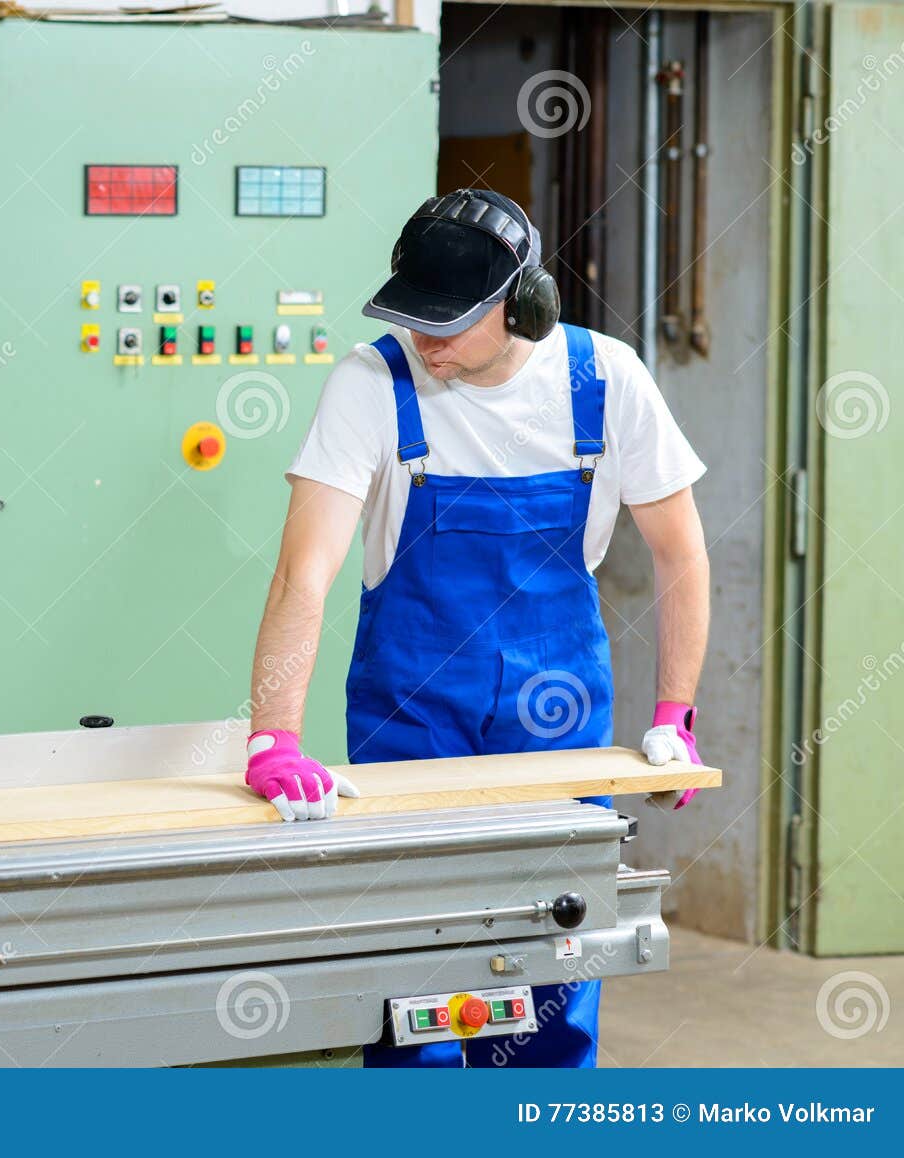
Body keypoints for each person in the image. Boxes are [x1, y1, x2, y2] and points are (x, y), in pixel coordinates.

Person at [241, 189, 710, 1067]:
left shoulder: (606, 380)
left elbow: (682, 554)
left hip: (559, 722)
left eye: (446, 323)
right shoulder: (370, 382)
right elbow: (304, 574)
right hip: (411, 717)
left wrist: (674, 714)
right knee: (417, 994)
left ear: (522, 307)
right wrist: (274, 735)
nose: (425, 340)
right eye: (409, 315)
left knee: (557, 983)